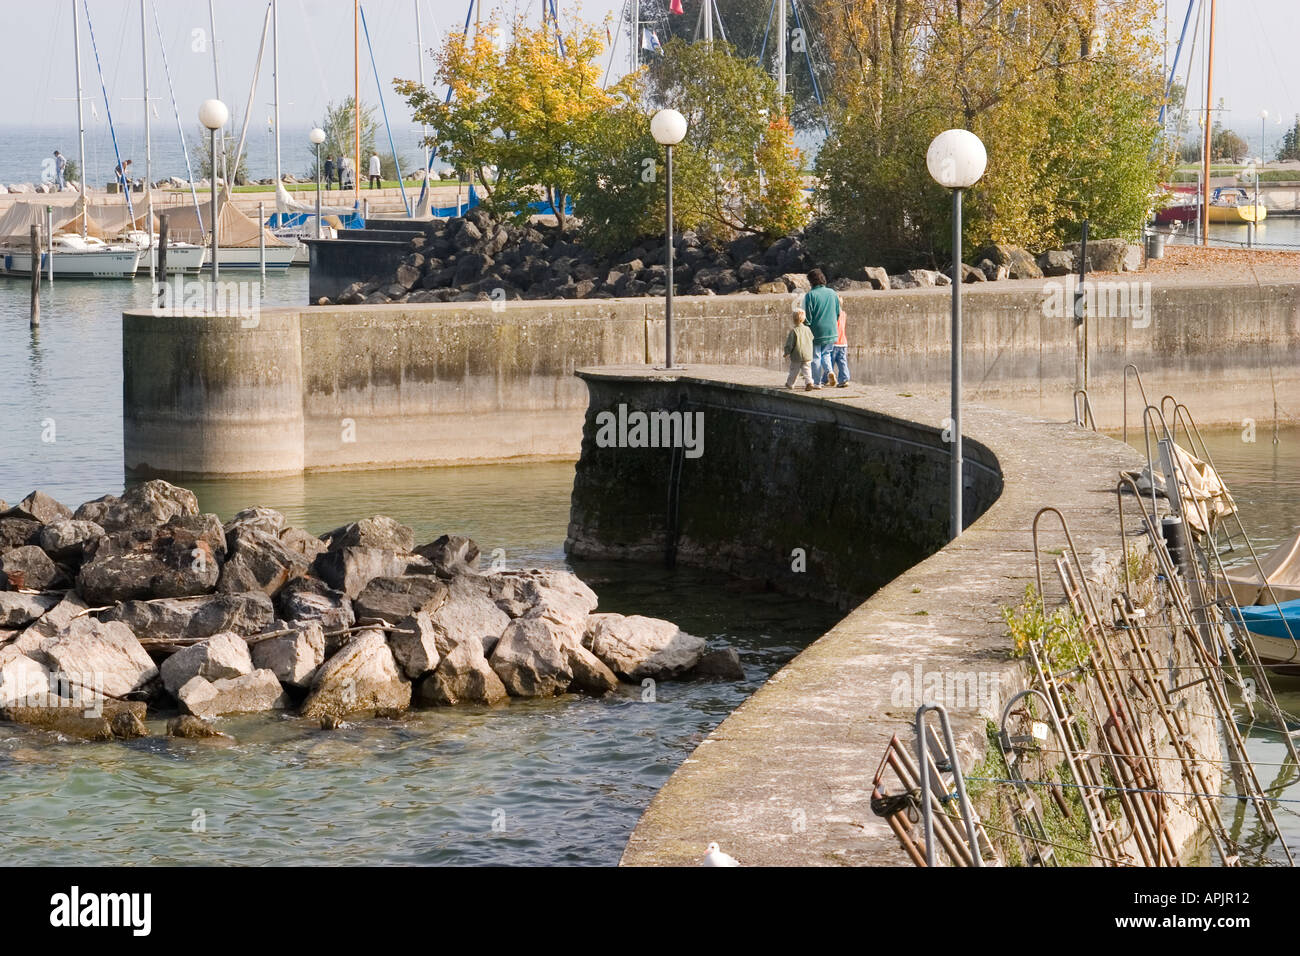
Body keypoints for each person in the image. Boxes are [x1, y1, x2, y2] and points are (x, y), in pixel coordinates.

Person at [802, 267, 841, 387]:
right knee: (826, 354)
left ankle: (817, 382)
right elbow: (838, 312)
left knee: (816, 357)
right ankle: (829, 371)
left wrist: (805, 327)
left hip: (816, 331)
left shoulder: (810, 295)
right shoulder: (832, 293)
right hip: (832, 330)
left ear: (811, 281)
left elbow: (808, 317)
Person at [783, 301, 817, 390]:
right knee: (807, 369)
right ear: (804, 319)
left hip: (796, 355)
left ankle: (790, 384)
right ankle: (809, 382)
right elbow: (812, 338)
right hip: (807, 354)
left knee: (794, 370)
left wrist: (786, 352)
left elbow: (790, 344)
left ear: (793, 319)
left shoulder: (794, 331)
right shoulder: (808, 329)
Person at [829, 307, 850, 387]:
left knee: (829, 362)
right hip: (843, 342)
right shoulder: (844, 314)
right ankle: (844, 379)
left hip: (834, 342)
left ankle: (826, 379)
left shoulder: (833, 315)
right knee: (842, 362)